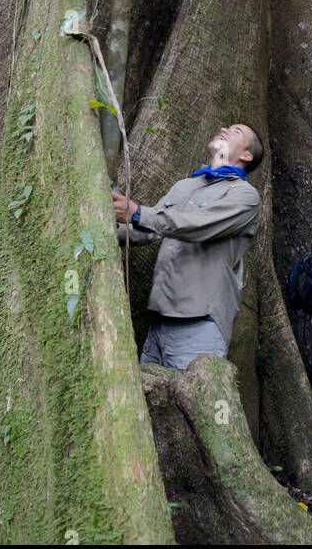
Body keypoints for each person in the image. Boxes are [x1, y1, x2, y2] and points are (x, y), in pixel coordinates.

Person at [112, 122, 263, 370]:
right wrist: (102, 229)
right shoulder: (187, 186)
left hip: (198, 326)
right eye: (225, 126)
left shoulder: (245, 196)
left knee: (189, 406)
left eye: (236, 131)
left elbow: (197, 225)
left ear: (247, 155)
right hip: (159, 320)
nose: (224, 128)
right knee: (149, 404)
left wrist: (137, 212)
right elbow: (151, 228)